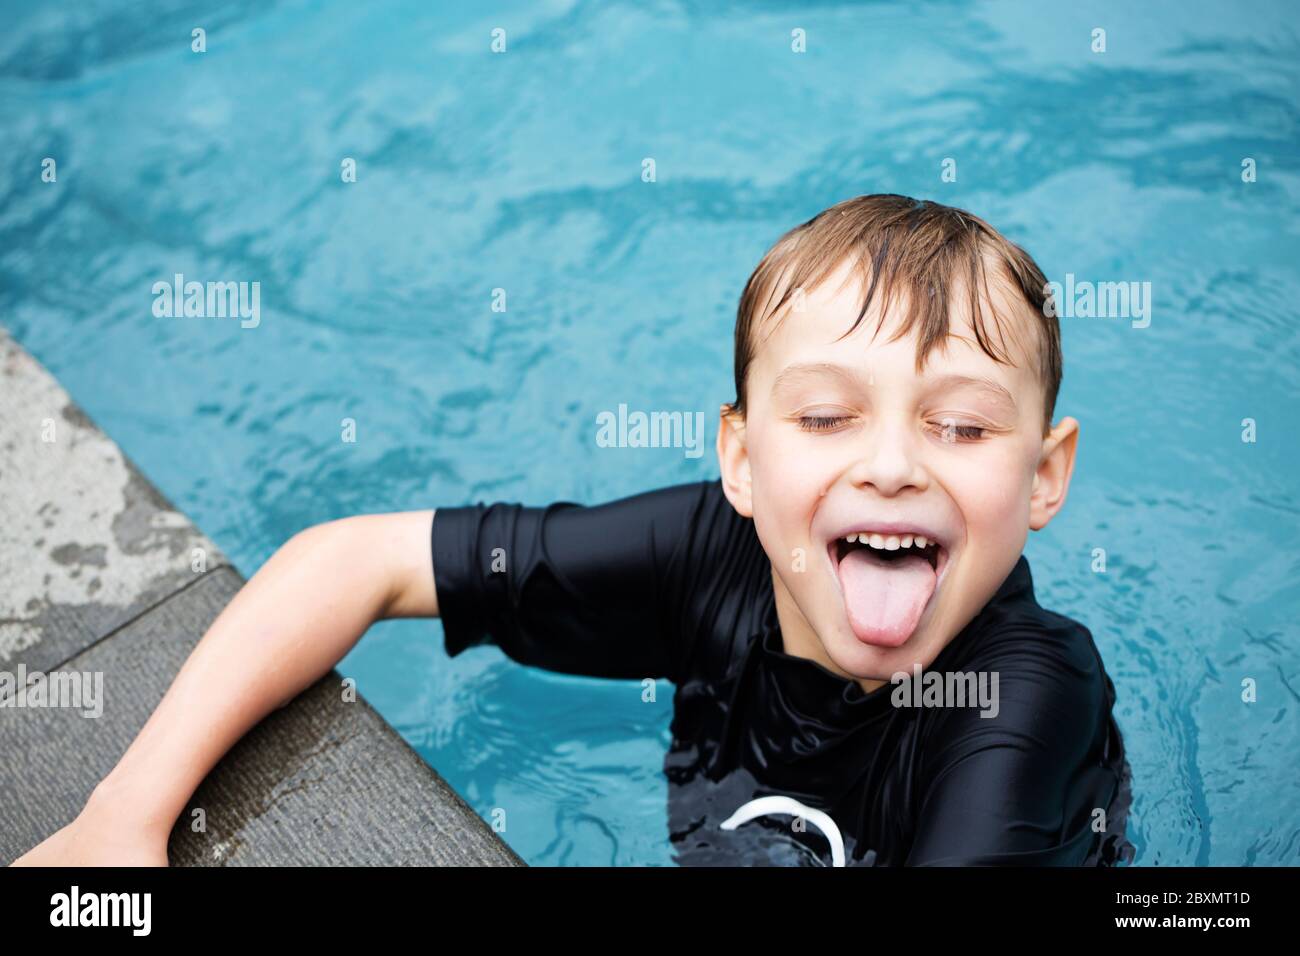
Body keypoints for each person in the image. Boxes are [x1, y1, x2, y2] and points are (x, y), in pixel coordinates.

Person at [12, 194, 1131, 867]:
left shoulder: (1024, 691)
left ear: (1045, 474)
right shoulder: (709, 554)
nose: (891, 463)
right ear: (741, 459)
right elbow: (354, 557)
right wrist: (127, 814)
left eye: (962, 426)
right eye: (829, 414)